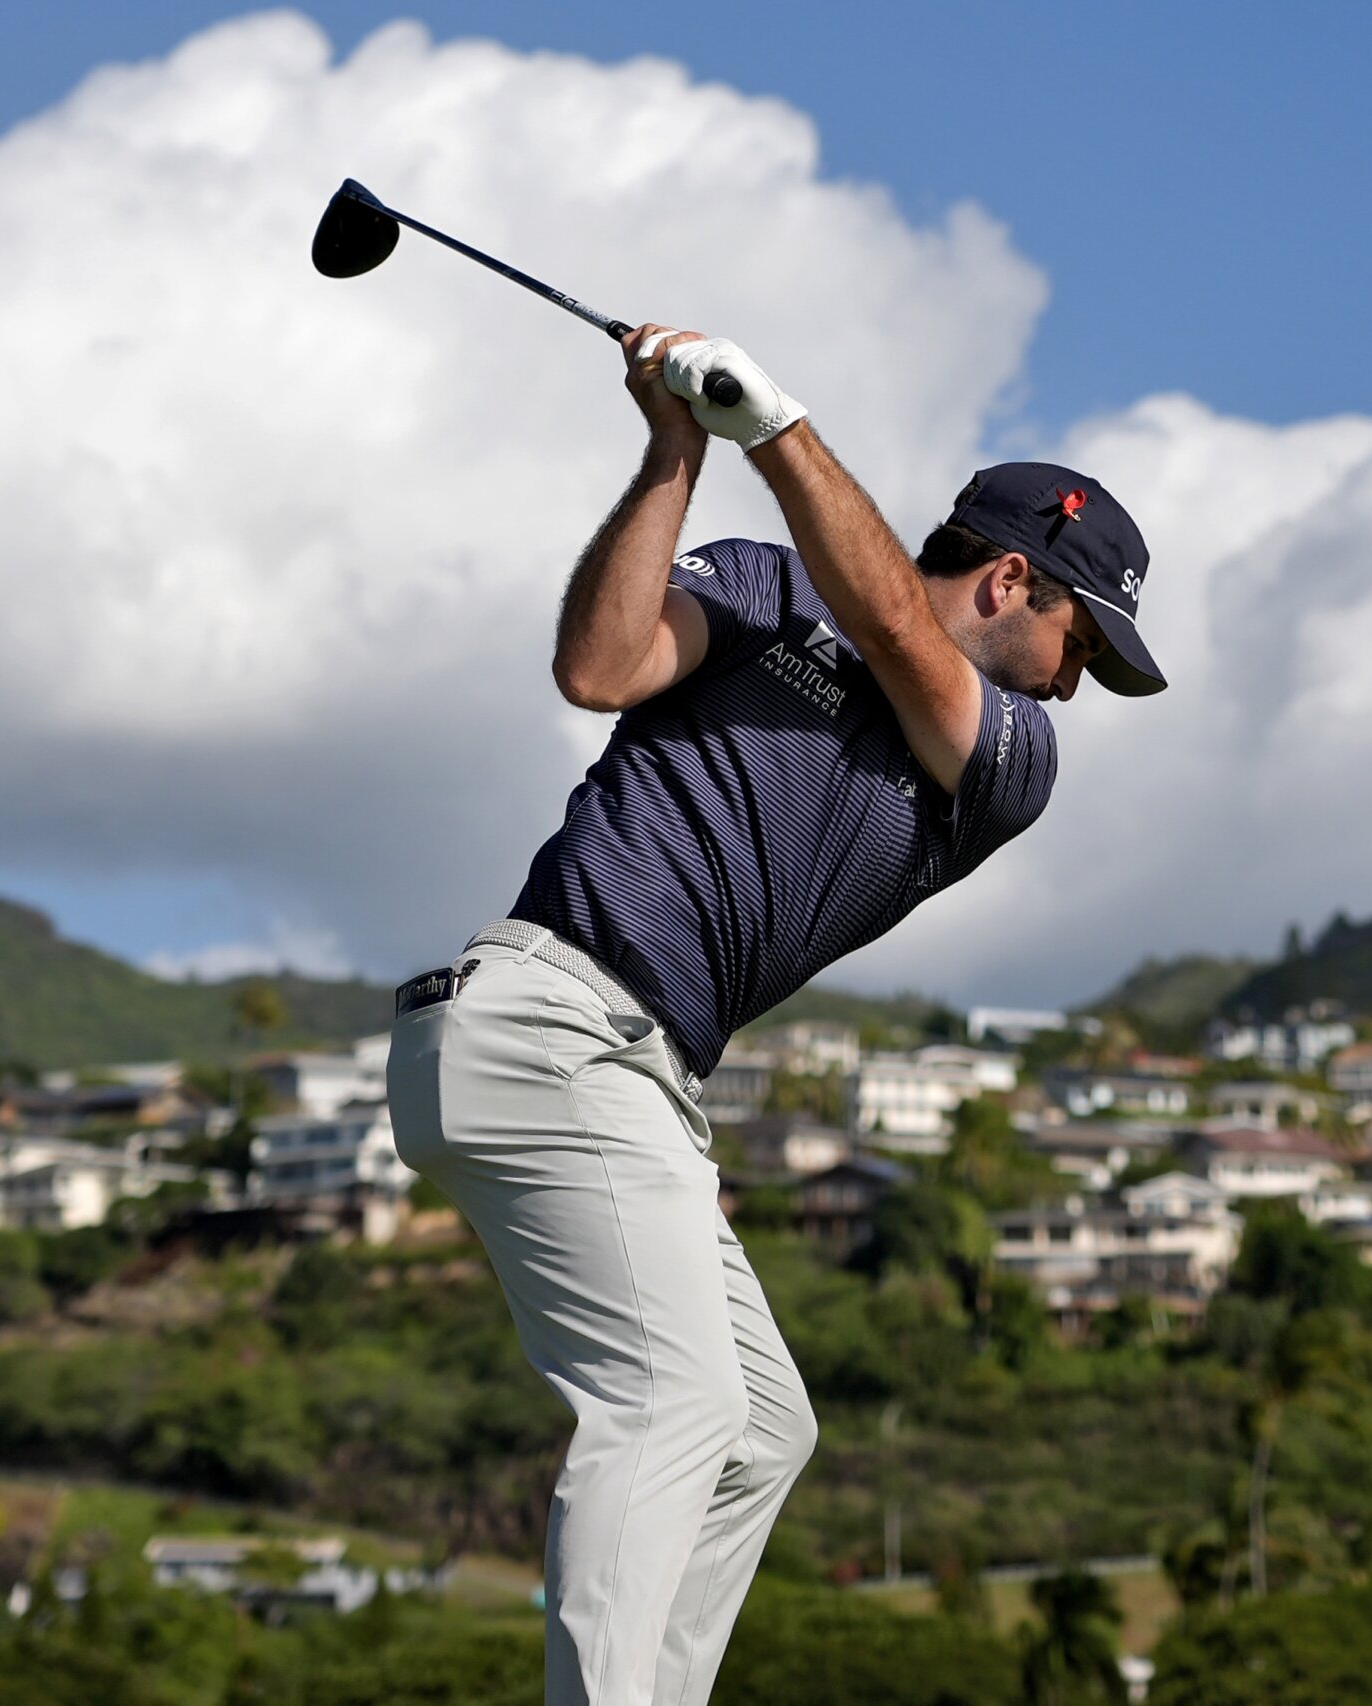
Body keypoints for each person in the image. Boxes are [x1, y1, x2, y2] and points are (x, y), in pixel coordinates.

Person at [385, 325, 1162, 1706]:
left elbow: (900, 634)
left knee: (758, 1430)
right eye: (1079, 643)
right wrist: (673, 456)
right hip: (551, 1028)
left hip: (629, 1074)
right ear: (1012, 579)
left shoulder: (1008, 760)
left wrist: (780, 430)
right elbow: (600, 668)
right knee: (676, 1402)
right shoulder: (763, 584)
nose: (1070, 683)